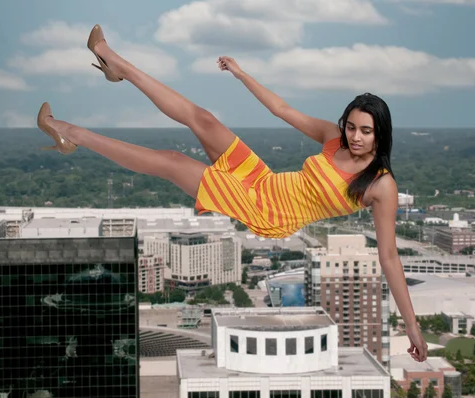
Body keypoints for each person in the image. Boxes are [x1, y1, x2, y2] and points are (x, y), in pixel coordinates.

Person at [36, 24, 428, 362]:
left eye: (366, 131)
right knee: (202, 117)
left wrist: (411, 326)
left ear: (381, 133)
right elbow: (282, 108)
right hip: (266, 181)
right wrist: (242, 74)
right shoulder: (333, 137)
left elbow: (389, 257)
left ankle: (69, 133)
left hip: (270, 213)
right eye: (353, 127)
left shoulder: (381, 185)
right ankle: (113, 63)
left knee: (173, 161)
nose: (356, 137)